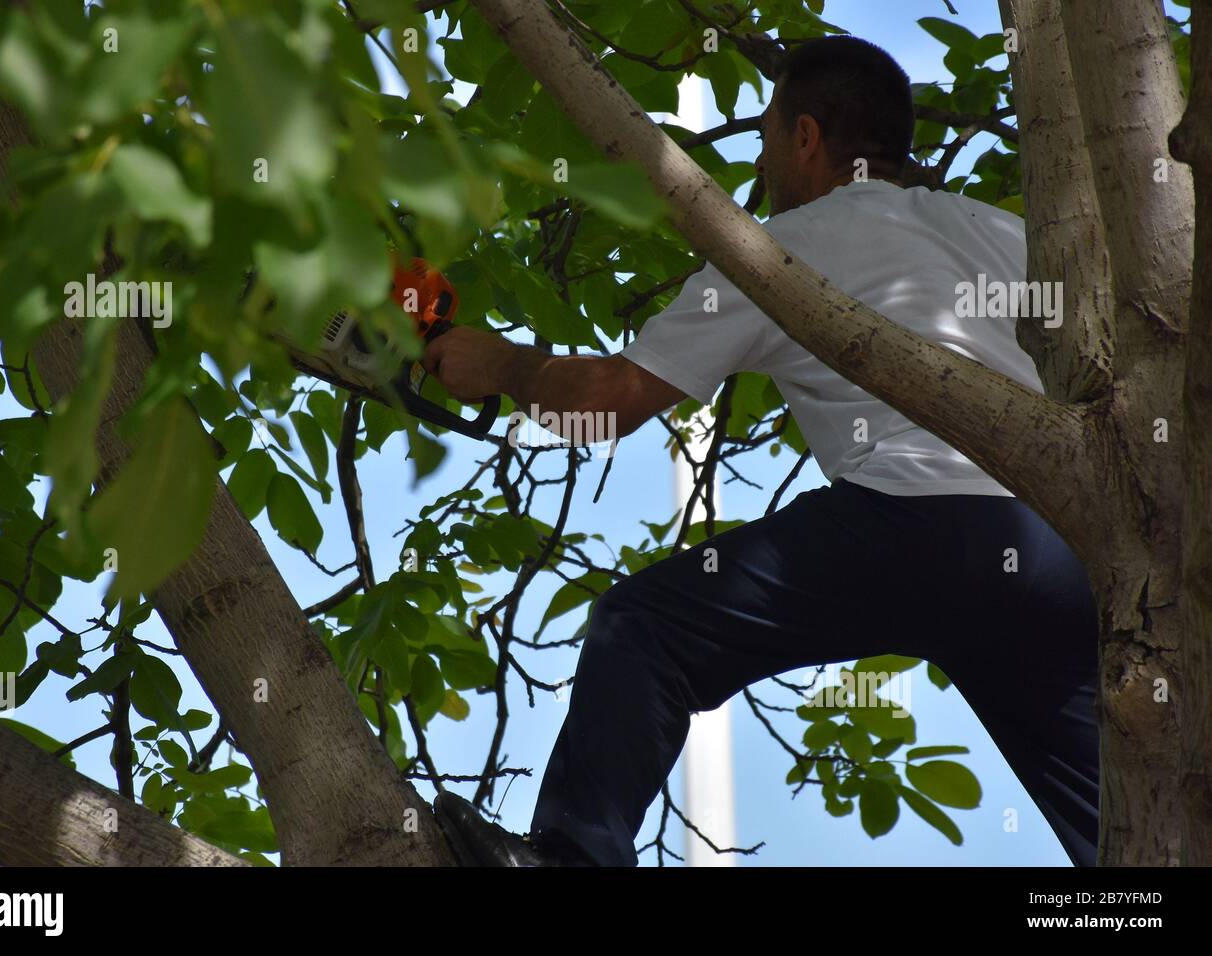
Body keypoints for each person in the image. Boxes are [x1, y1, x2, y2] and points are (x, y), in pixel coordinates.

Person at [424, 36, 1100, 867]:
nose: (763, 160)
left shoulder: (776, 253)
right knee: (1118, 828)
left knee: (644, 630)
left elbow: (603, 406)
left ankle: (571, 859)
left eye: (768, 137)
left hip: (921, 527)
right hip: (1067, 558)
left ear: (806, 137)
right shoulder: (1006, 235)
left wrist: (497, 363)